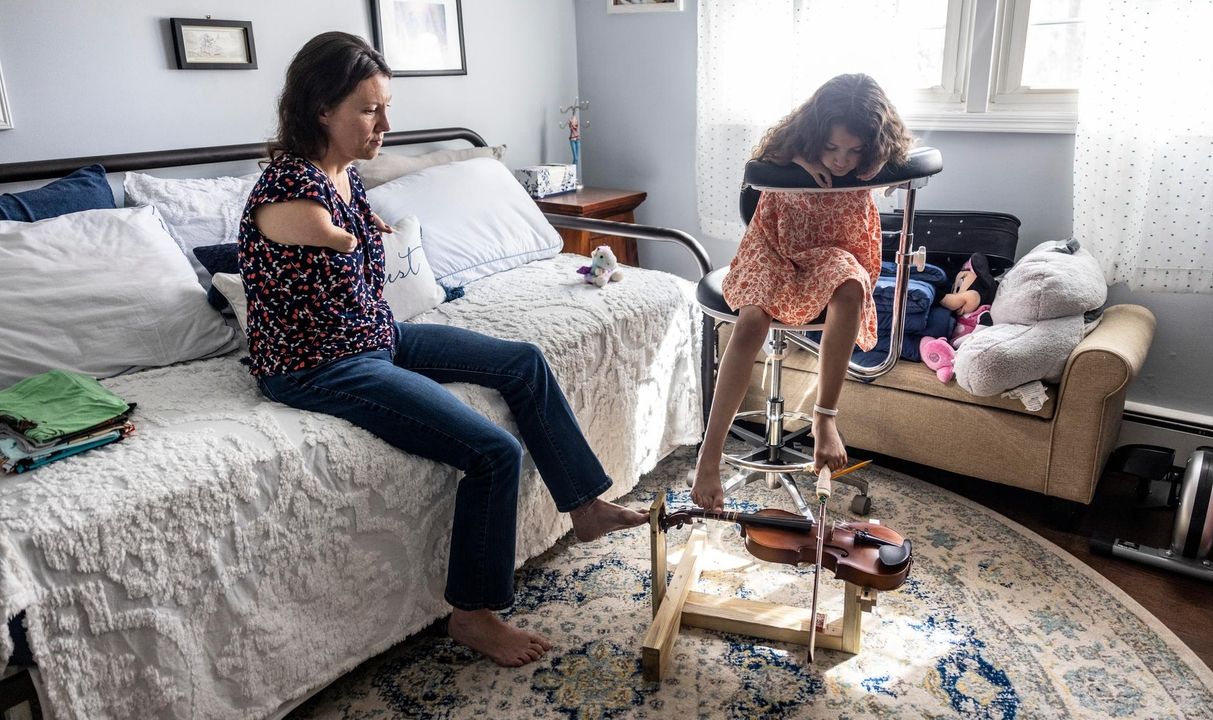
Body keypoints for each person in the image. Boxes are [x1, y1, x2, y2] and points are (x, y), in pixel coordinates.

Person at [237, 31, 647, 668]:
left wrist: (364, 230)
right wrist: (345, 236)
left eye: (385, 106)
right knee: (491, 451)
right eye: (370, 110)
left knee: (523, 361)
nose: (385, 124)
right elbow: (296, 226)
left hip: (376, 336)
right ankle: (474, 614)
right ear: (321, 109)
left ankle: (585, 503)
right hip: (315, 366)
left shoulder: (345, 177)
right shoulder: (286, 186)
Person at [691, 73, 913, 511]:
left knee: (851, 283)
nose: (842, 161)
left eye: (853, 151)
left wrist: (872, 161)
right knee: (754, 318)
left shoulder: (875, 154)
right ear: (815, 135)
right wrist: (793, 160)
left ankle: (824, 418)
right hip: (775, 243)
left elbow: (910, 157)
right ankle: (709, 453)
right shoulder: (791, 144)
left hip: (835, 250)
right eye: (831, 148)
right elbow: (755, 167)